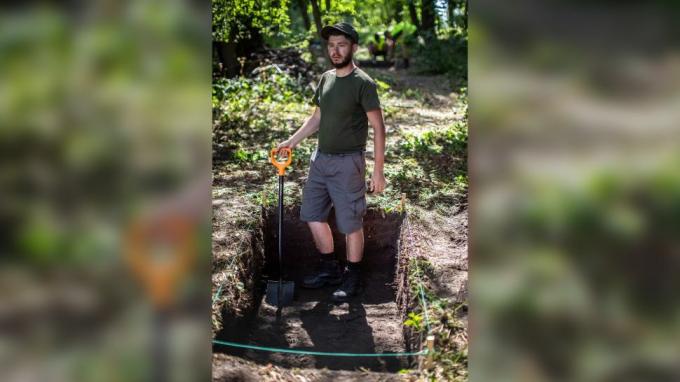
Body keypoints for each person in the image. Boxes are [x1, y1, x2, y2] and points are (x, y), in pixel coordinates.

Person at [277, 22, 387, 302]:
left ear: (353, 47)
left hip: (349, 163)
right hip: (320, 161)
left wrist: (378, 171)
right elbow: (317, 117)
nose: (335, 50)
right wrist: (292, 141)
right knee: (313, 216)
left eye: (341, 45)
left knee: (350, 223)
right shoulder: (326, 79)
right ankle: (330, 268)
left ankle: (353, 275)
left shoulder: (363, 83)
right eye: (331, 45)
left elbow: (378, 127)